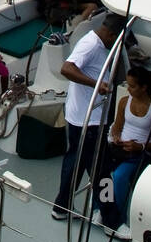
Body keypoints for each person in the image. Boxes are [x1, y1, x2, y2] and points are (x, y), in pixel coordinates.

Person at [51, 12, 127, 221]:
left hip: (82, 118)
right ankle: (112, 219)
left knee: (75, 163)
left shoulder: (95, 41)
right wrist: (96, 85)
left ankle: (61, 206)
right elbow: (66, 68)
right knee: (102, 171)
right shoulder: (92, 46)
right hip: (89, 122)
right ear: (112, 35)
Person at [95, 65, 151, 237]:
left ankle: (117, 219)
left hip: (138, 153)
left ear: (144, 87)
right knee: (104, 173)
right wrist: (116, 137)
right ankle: (103, 210)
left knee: (119, 177)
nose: (128, 89)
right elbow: (117, 127)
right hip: (120, 149)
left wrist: (140, 146)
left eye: (132, 86)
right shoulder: (124, 102)